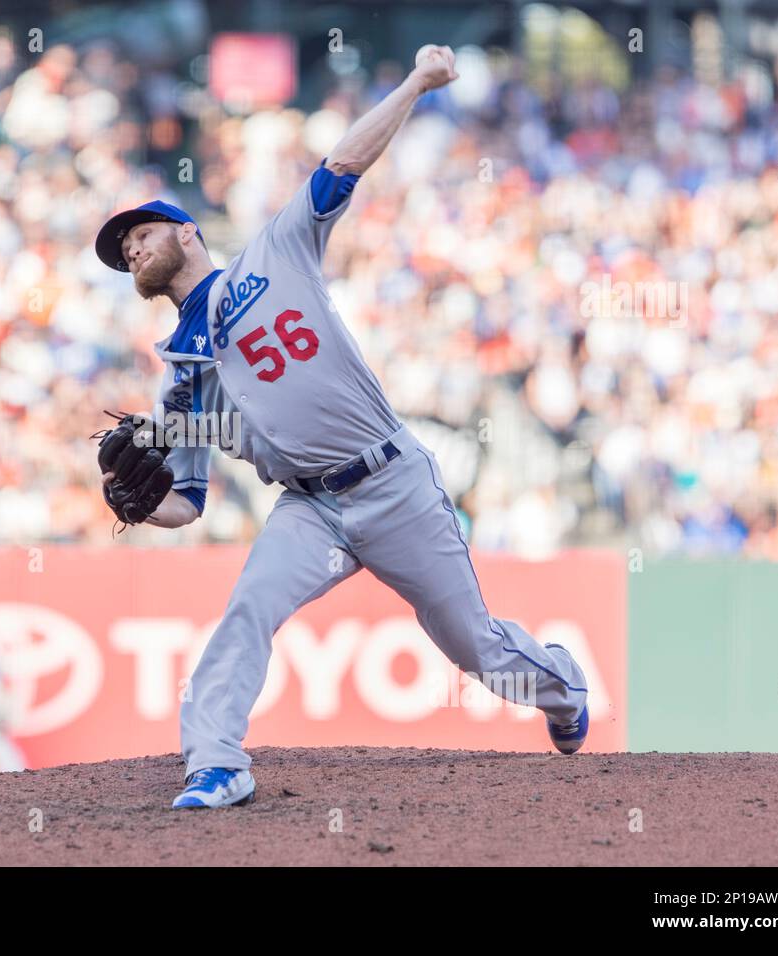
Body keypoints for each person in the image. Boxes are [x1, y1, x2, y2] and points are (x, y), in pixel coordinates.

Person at [93, 45, 589, 810]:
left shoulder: (274, 251)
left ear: (188, 233)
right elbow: (186, 504)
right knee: (247, 610)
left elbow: (343, 165)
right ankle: (216, 765)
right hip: (310, 509)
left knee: (480, 654)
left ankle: (560, 688)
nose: (131, 248)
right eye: (123, 250)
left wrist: (418, 83)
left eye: (142, 233)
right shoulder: (179, 381)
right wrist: (133, 504)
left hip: (392, 481)